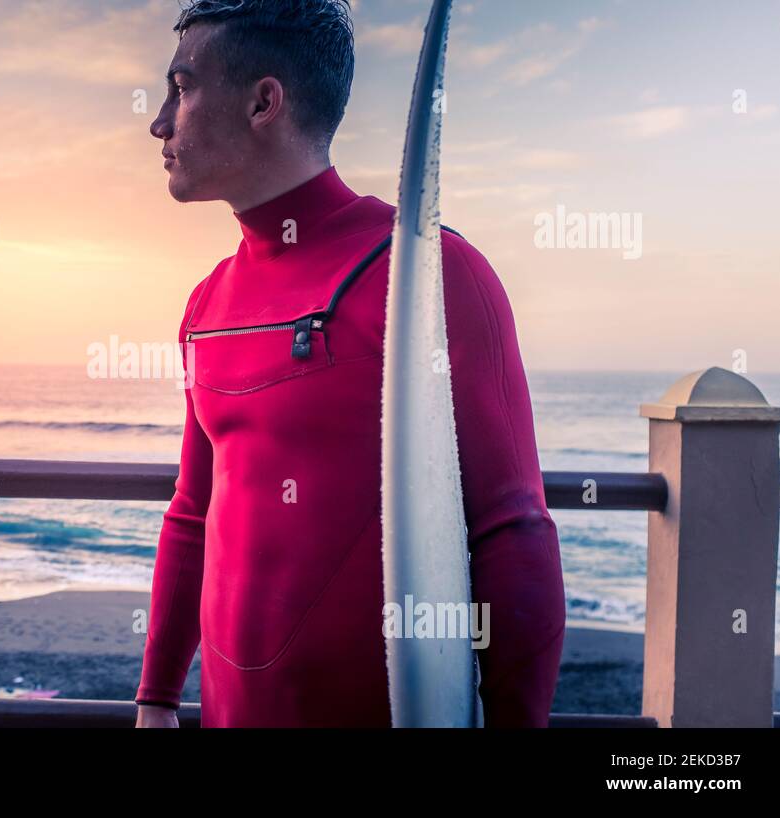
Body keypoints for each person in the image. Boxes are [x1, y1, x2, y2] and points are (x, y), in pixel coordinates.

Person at [135, 0, 565, 728]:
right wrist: (157, 698)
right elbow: (193, 514)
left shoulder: (428, 277)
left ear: (263, 101)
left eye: (181, 87)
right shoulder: (208, 301)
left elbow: (511, 530)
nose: (158, 123)